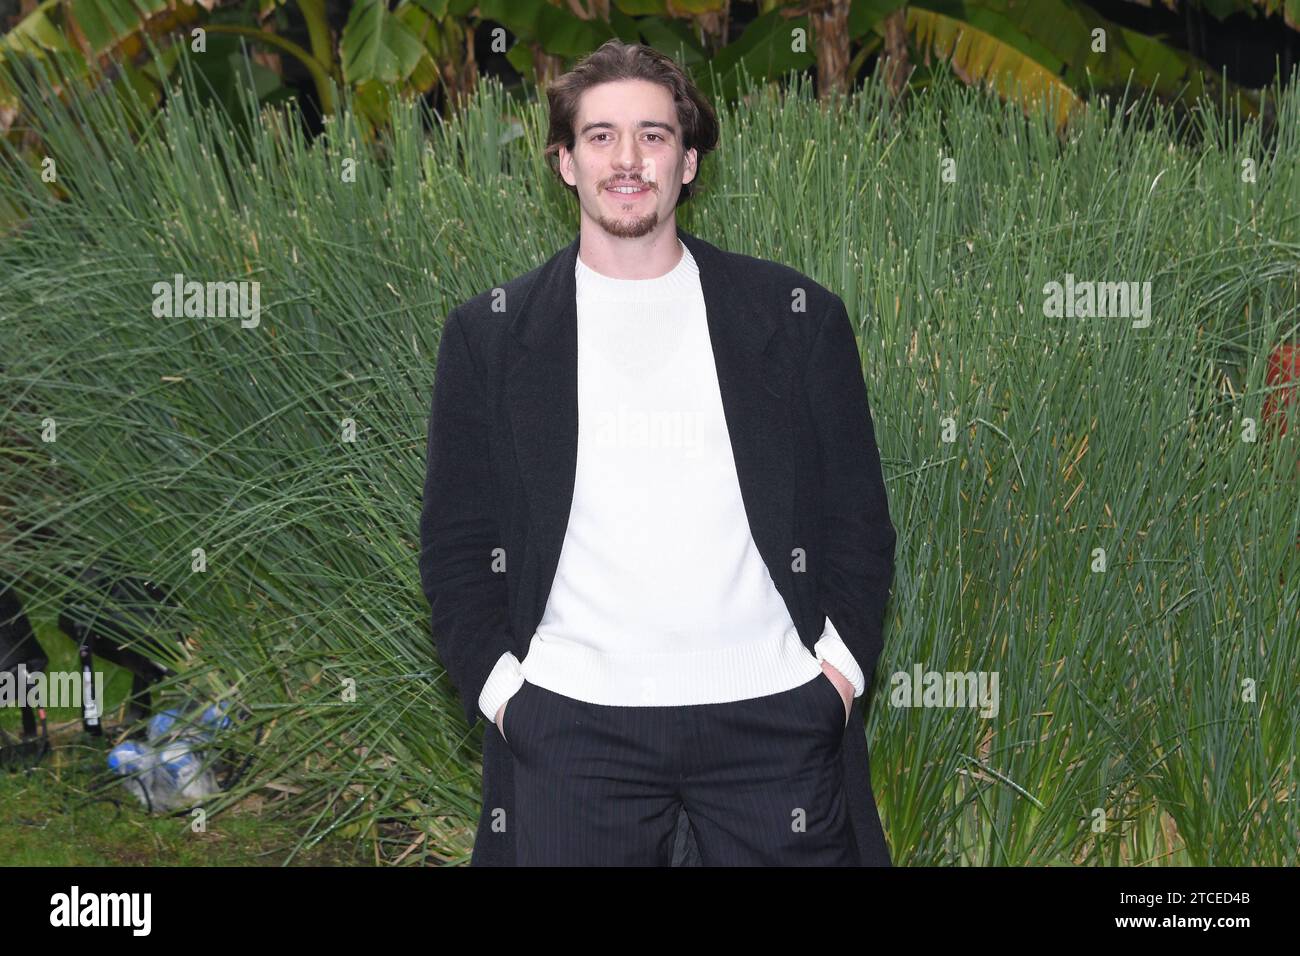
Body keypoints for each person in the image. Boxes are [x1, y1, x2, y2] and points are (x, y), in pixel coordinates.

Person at [418, 39, 896, 866]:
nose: (628, 158)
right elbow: (456, 545)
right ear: (564, 162)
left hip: (775, 719)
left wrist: (837, 683)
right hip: (571, 725)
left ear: (689, 161)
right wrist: (506, 699)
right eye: (600, 136)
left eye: (654, 135)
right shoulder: (490, 336)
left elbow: (860, 520)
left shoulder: (795, 318)